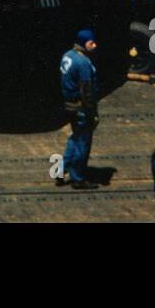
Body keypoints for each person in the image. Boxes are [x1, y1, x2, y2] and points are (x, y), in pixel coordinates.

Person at [57, 29, 100, 190]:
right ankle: (78, 178)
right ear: (83, 44)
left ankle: (59, 171)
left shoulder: (68, 55)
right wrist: (92, 113)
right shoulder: (83, 63)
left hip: (69, 104)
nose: (95, 45)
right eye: (91, 43)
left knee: (74, 138)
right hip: (80, 107)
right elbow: (87, 91)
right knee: (83, 143)